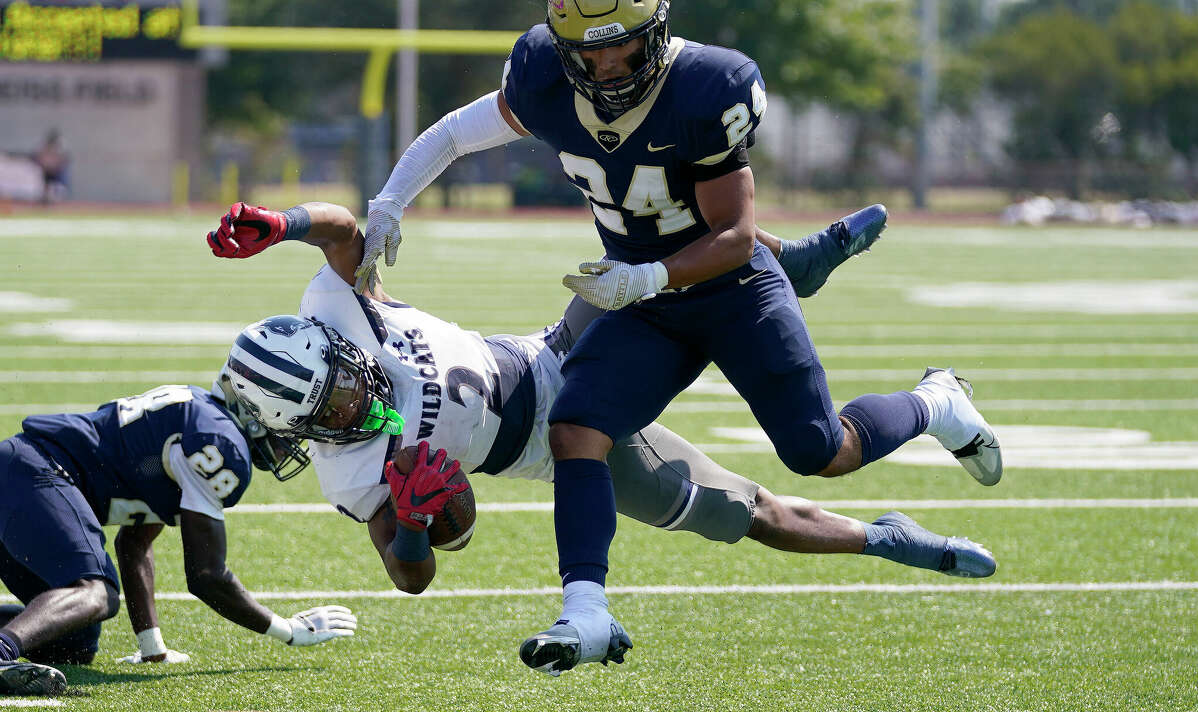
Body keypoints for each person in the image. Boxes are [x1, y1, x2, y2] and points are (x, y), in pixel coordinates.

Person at [348, 0, 1002, 675]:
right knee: (575, 427)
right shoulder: (542, 78)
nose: (607, 66)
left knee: (821, 452)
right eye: (588, 52)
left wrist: (645, 277)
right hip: (647, 301)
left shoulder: (706, 87)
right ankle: (586, 610)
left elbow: (734, 236)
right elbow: (454, 134)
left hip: (730, 290)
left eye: (622, 45)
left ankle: (937, 402)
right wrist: (390, 201)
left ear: (655, 28)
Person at [207, 200, 996, 676]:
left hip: (558, 350)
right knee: (758, 515)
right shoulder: (352, 474)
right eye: (336, 405)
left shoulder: (340, 310)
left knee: (651, 240)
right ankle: (887, 534)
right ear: (304, 427)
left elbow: (344, 229)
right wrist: (414, 525)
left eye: (344, 375)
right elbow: (412, 573)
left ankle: (797, 262)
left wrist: (282, 224)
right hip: (569, 448)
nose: (357, 392)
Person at [0, 379, 358, 697]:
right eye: (288, 424)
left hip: (22, 470)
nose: (292, 439)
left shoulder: (203, 419)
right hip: (36, 470)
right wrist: (288, 630)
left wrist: (151, 647)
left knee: (74, 642)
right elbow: (207, 576)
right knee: (95, 593)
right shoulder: (220, 444)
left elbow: (134, 542)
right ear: (258, 410)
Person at [33, 130, 68, 205]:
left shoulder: (60, 148)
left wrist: (55, 166)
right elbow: (39, 158)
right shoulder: (44, 146)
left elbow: (63, 159)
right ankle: (46, 199)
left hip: (56, 171)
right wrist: (46, 165)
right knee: (46, 186)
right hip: (47, 170)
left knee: (57, 187)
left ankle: (55, 199)